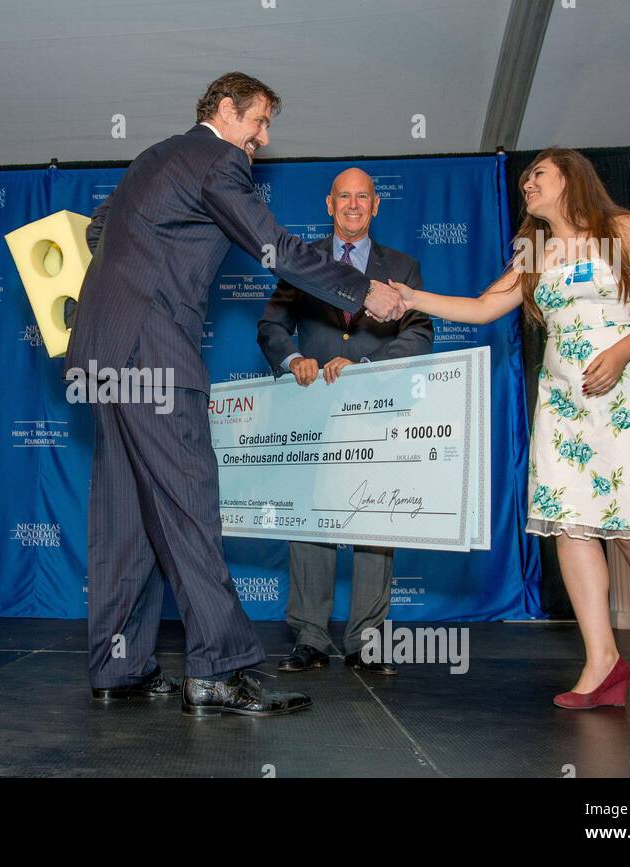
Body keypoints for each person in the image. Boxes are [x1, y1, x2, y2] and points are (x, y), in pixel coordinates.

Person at [66, 72, 404, 717]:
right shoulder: (218, 158)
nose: (262, 138)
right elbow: (273, 246)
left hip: (105, 356)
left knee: (125, 513)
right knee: (189, 502)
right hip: (156, 353)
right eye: (259, 122)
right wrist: (361, 290)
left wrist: (142, 271)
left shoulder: (154, 157)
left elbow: (98, 230)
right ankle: (218, 671)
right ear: (226, 110)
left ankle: (119, 667)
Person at [388, 148, 630, 708]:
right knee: (570, 523)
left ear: (571, 179)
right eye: (526, 177)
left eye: (539, 174)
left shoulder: (623, 229)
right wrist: (410, 296)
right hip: (564, 401)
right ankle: (602, 660)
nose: (527, 183)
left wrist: (621, 354)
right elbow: (483, 307)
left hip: (625, 387)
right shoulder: (535, 251)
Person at [257, 167, 433, 676]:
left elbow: (419, 335)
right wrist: (294, 362)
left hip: (377, 411)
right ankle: (310, 638)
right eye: (344, 197)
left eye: (362, 197)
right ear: (328, 205)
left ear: (376, 205)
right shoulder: (302, 261)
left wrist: (367, 369)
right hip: (311, 411)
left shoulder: (402, 265)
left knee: (375, 519)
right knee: (311, 520)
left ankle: (367, 641)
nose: (353, 205)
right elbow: (272, 325)